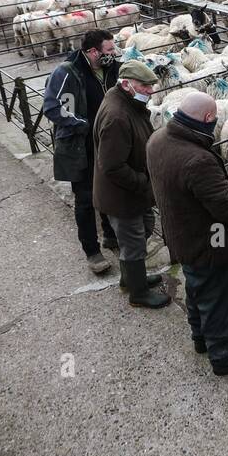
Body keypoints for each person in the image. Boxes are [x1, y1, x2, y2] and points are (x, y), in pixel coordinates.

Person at [145, 90, 228, 376]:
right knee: (216, 294)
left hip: (180, 233)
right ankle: (224, 356)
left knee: (197, 288)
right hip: (209, 240)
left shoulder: (157, 139)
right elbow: (227, 207)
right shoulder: (197, 159)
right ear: (208, 118)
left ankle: (202, 336)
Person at [42, 29, 121, 274]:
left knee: (109, 188)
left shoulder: (112, 68)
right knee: (85, 199)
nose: (113, 53)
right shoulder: (68, 73)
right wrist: (84, 125)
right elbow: (54, 107)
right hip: (81, 145)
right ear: (92, 51)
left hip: (107, 142)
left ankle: (110, 234)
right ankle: (92, 251)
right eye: (109, 50)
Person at [92, 59, 168, 308]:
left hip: (129, 191)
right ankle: (138, 293)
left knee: (142, 230)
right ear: (127, 84)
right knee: (134, 240)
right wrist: (144, 183)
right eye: (145, 86)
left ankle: (131, 278)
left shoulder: (124, 102)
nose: (150, 90)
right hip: (122, 195)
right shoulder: (117, 116)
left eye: (151, 85)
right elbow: (112, 166)